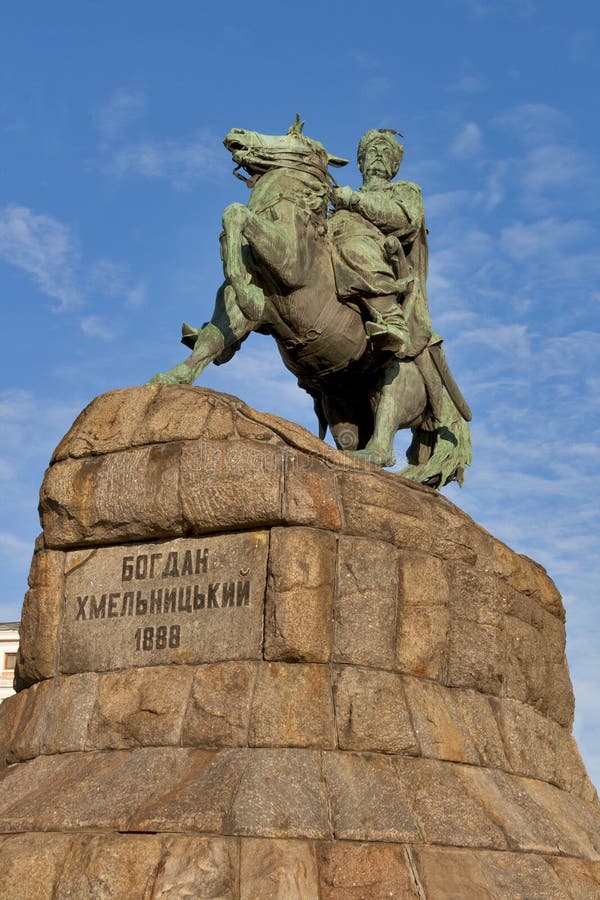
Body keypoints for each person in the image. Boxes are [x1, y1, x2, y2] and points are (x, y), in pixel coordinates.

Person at [329, 128, 436, 361]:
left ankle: (393, 321)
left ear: (395, 166)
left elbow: (405, 220)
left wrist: (354, 201)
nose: (378, 155)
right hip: (339, 254)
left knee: (355, 248)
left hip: (377, 255)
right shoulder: (342, 200)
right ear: (360, 162)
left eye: (386, 152)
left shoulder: (403, 190)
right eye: (372, 151)